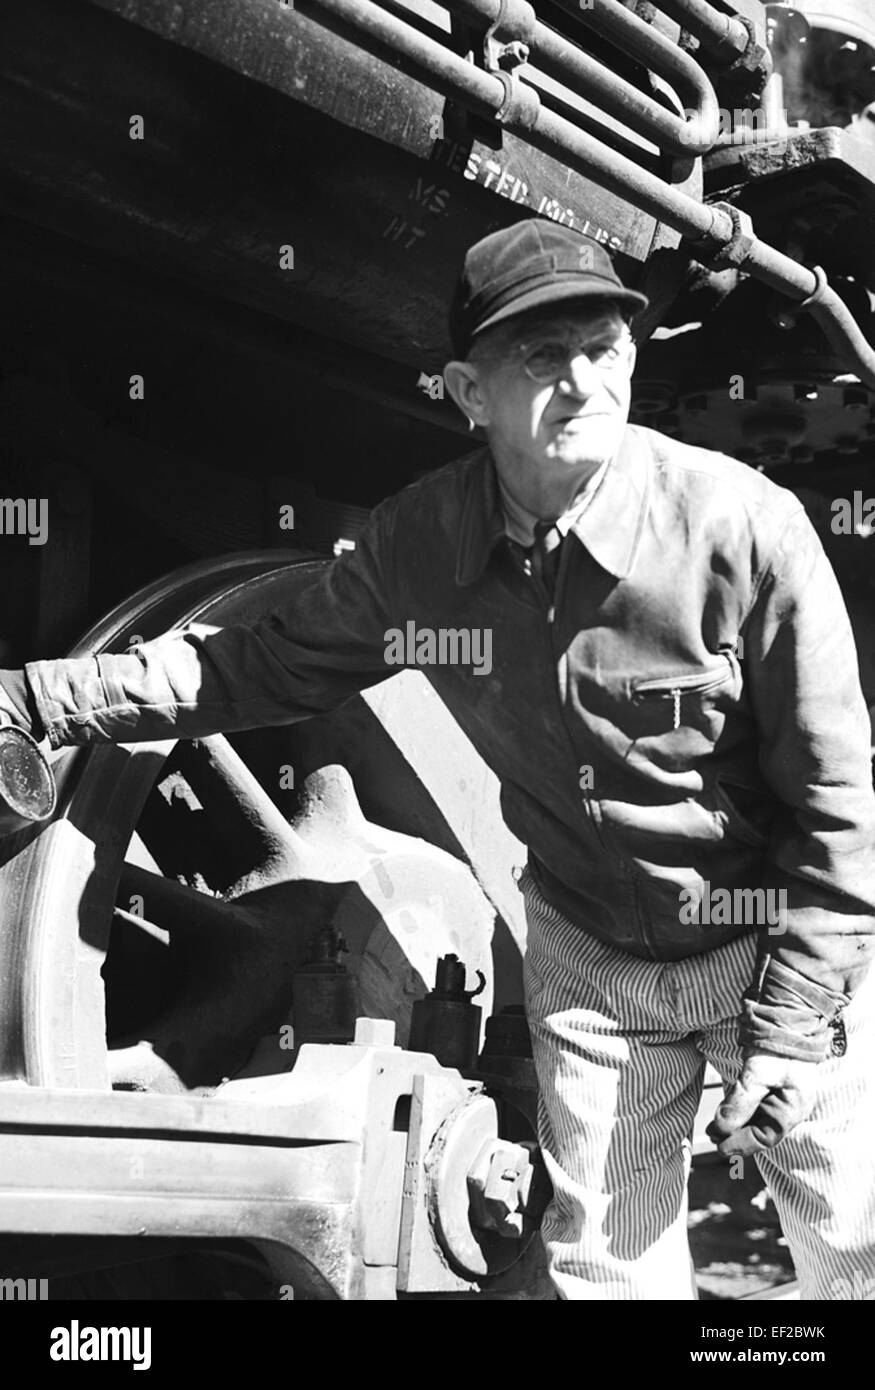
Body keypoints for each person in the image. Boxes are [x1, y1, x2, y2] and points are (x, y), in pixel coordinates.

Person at [3, 218, 874, 1299]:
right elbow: (256, 665)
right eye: (540, 358)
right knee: (602, 1272)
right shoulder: (421, 545)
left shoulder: (745, 533)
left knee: (851, 1245)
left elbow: (837, 806)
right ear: (468, 391)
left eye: (601, 349)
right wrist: (44, 697)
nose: (579, 382)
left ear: (633, 358)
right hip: (590, 959)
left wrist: (791, 1020)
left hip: (762, 937)